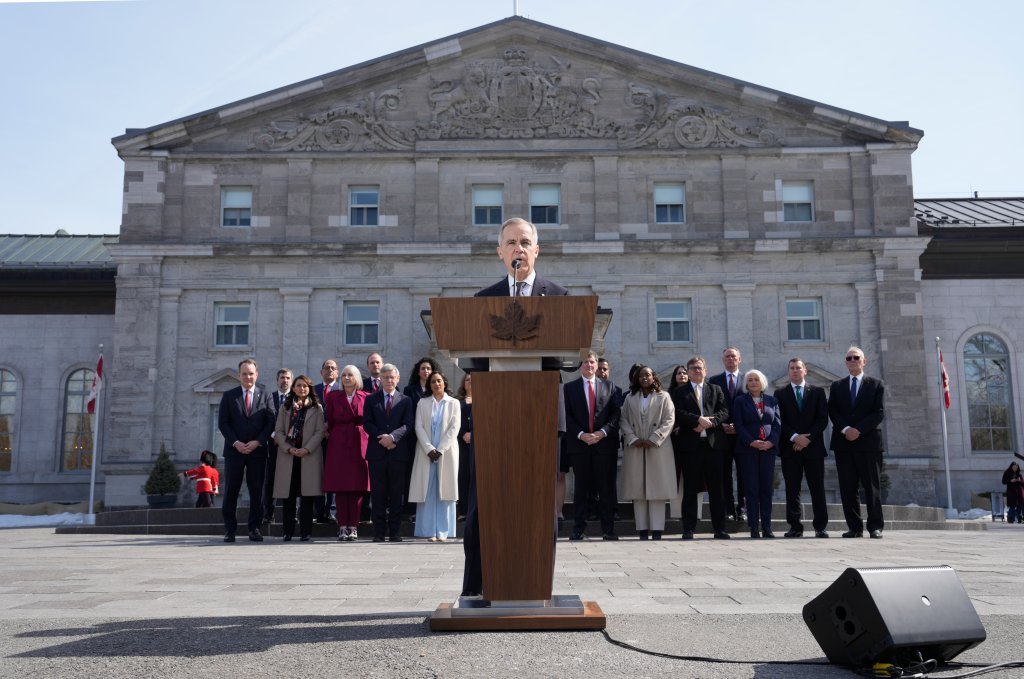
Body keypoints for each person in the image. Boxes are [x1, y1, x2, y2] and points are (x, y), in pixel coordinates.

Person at [463, 216, 569, 598]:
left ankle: (536, 583)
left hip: (541, 415)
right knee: (485, 502)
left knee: (538, 506)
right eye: (511, 243)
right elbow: (473, 360)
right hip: (496, 415)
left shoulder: (558, 297)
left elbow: (563, 356)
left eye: (525, 242)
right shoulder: (484, 300)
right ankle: (479, 586)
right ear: (500, 252)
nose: (518, 249)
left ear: (537, 250)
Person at [829, 346, 886, 539]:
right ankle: (854, 527)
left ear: (864, 361)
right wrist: (846, 429)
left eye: (856, 357)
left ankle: (875, 527)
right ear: (845, 362)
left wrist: (858, 430)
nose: (852, 360)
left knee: (872, 487)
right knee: (848, 487)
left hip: (868, 443)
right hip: (844, 443)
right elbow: (833, 412)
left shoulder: (876, 384)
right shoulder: (837, 386)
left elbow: (879, 412)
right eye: (849, 358)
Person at [671, 356, 731, 540]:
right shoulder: (680, 392)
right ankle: (688, 528)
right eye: (693, 368)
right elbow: (678, 413)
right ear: (688, 372)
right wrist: (697, 420)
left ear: (705, 370)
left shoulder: (716, 389)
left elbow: (724, 411)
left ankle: (719, 529)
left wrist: (709, 423)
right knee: (690, 489)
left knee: (716, 490)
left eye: (700, 368)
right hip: (691, 447)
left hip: (713, 446)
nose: (697, 371)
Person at [565, 351, 622, 540]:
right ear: (579, 366)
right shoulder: (569, 388)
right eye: (585, 362)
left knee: (605, 488)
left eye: (592, 362)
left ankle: (608, 530)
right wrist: (581, 435)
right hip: (580, 445)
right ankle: (578, 529)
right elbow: (567, 416)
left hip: (603, 445)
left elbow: (616, 416)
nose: (589, 365)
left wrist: (601, 433)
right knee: (580, 489)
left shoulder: (611, 387)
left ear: (597, 365)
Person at [218, 358, 276, 543]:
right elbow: (223, 423)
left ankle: (254, 528)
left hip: (257, 451)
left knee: (257, 492)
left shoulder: (266, 395)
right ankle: (230, 529)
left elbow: (270, 422)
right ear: (238, 375)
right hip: (234, 451)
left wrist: (258, 441)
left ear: (256, 375)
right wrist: (236, 442)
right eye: (244, 373)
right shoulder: (229, 396)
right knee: (231, 491)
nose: (248, 377)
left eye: (251, 373)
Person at [774, 358, 830, 538]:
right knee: (792, 489)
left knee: (817, 488)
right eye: (792, 368)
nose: (795, 371)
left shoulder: (817, 392)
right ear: (788, 372)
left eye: (798, 368)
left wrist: (807, 438)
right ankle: (795, 526)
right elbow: (778, 420)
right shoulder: (780, 393)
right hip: (790, 449)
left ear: (805, 370)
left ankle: (820, 526)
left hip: (813, 448)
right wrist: (795, 438)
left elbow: (822, 419)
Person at [619, 365, 675, 540]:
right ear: (636, 378)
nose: (644, 378)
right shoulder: (629, 398)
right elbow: (623, 419)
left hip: (657, 447)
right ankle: (642, 529)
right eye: (641, 375)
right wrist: (632, 438)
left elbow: (669, 419)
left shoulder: (664, 396)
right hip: (636, 447)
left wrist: (655, 437)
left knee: (656, 490)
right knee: (638, 489)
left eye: (648, 375)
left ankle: (657, 530)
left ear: (654, 377)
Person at [363, 363, 415, 542]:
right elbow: (367, 423)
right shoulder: (371, 399)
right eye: (385, 377)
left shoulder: (406, 400)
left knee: (396, 494)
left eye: (392, 377)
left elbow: (408, 424)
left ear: (398, 379)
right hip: (377, 454)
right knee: (378, 494)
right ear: (381, 380)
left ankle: (395, 532)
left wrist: (392, 438)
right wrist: (382, 437)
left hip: (398, 453)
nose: (389, 380)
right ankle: (378, 532)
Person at [272, 374, 325, 542]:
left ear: (309, 389)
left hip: (308, 456)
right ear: (293, 388)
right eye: (298, 385)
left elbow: (320, 432)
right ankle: (287, 531)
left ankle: (305, 532)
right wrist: (288, 448)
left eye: (305, 386)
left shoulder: (317, 408)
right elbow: (278, 431)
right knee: (288, 497)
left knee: (307, 497)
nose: (302, 388)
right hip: (289, 456)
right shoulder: (285, 407)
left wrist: (306, 449)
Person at [411, 371, 461, 541]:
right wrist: (429, 449)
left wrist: (440, 449)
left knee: (445, 490)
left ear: (444, 383)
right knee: (428, 489)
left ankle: (444, 532)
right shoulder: (422, 403)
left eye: (439, 381)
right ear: (429, 384)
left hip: (446, 452)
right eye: (433, 382)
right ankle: (428, 531)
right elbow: (418, 427)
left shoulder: (453, 403)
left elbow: (454, 429)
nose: (436, 384)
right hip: (426, 452)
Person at [732, 369, 781, 538]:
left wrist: (770, 442)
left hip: (768, 450)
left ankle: (767, 526)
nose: (753, 382)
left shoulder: (772, 400)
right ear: (746, 384)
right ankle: (754, 526)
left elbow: (777, 425)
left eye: (756, 380)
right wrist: (751, 442)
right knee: (751, 489)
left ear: (762, 383)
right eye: (750, 380)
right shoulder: (740, 401)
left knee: (766, 489)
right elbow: (738, 425)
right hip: (748, 450)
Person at [323, 365, 369, 542]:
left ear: (357, 378)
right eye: (344, 375)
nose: (347, 378)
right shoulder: (334, 397)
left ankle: (353, 526)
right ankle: (342, 526)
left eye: (350, 375)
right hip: (339, 443)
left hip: (359, 443)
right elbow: (332, 421)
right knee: (341, 487)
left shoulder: (366, 397)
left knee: (357, 487)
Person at [708, 347, 746, 522]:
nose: (730, 359)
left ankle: (743, 508)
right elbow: (711, 407)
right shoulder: (714, 381)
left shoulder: (748, 379)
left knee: (743, 473)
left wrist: (738, 426)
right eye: (727, 357)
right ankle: (728, 509)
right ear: (723, 360)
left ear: (739, 359)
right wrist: (722, 423)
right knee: (725, 474)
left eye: (733, 356)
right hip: (721, 434)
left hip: (743, 435)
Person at [262, 368, 292, 529]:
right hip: (272, 446)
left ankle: (291, 514)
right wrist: (275, 437)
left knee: (291, 481)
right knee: (270, 481)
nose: (285, 381)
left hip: (291, 447)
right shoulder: (269, 398)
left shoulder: (297, 399)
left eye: (287, 378)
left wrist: (287, 440)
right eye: (282, 378)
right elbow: (265, 421)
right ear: (277, 380)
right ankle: (268, 514)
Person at [314, 359, 340, 524]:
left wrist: (329, 429)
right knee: (317, 474)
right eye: (326, 368)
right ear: (321, 372)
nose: (330, 370)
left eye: (333, 368)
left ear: (337, 372)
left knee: (333, 474)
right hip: (316, 440)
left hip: (335, 438)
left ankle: (332, 509)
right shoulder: (313, 390)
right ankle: (319, 510)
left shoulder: (341, 389)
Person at [455, 373, 473, 519]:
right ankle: (463, 511)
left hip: (478, 443)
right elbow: (453, 421)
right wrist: (463, 434)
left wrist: (474, 434)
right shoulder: (457, 402)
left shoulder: (484, 399)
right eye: (467, 380)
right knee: (463, 476)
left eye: (473, 380)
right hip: (461, 443)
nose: (470, 382)